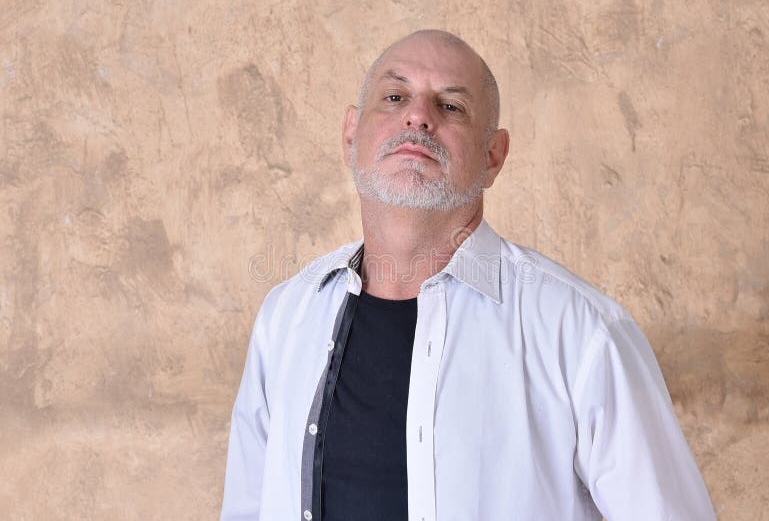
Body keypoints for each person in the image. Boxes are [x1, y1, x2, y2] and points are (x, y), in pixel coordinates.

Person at [220, 29, 716, 521]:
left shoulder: (582, 333)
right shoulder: (287, 317)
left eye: (451, 107)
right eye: (395, 97)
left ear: (492, 156)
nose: (417, 116)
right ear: (351, 134)